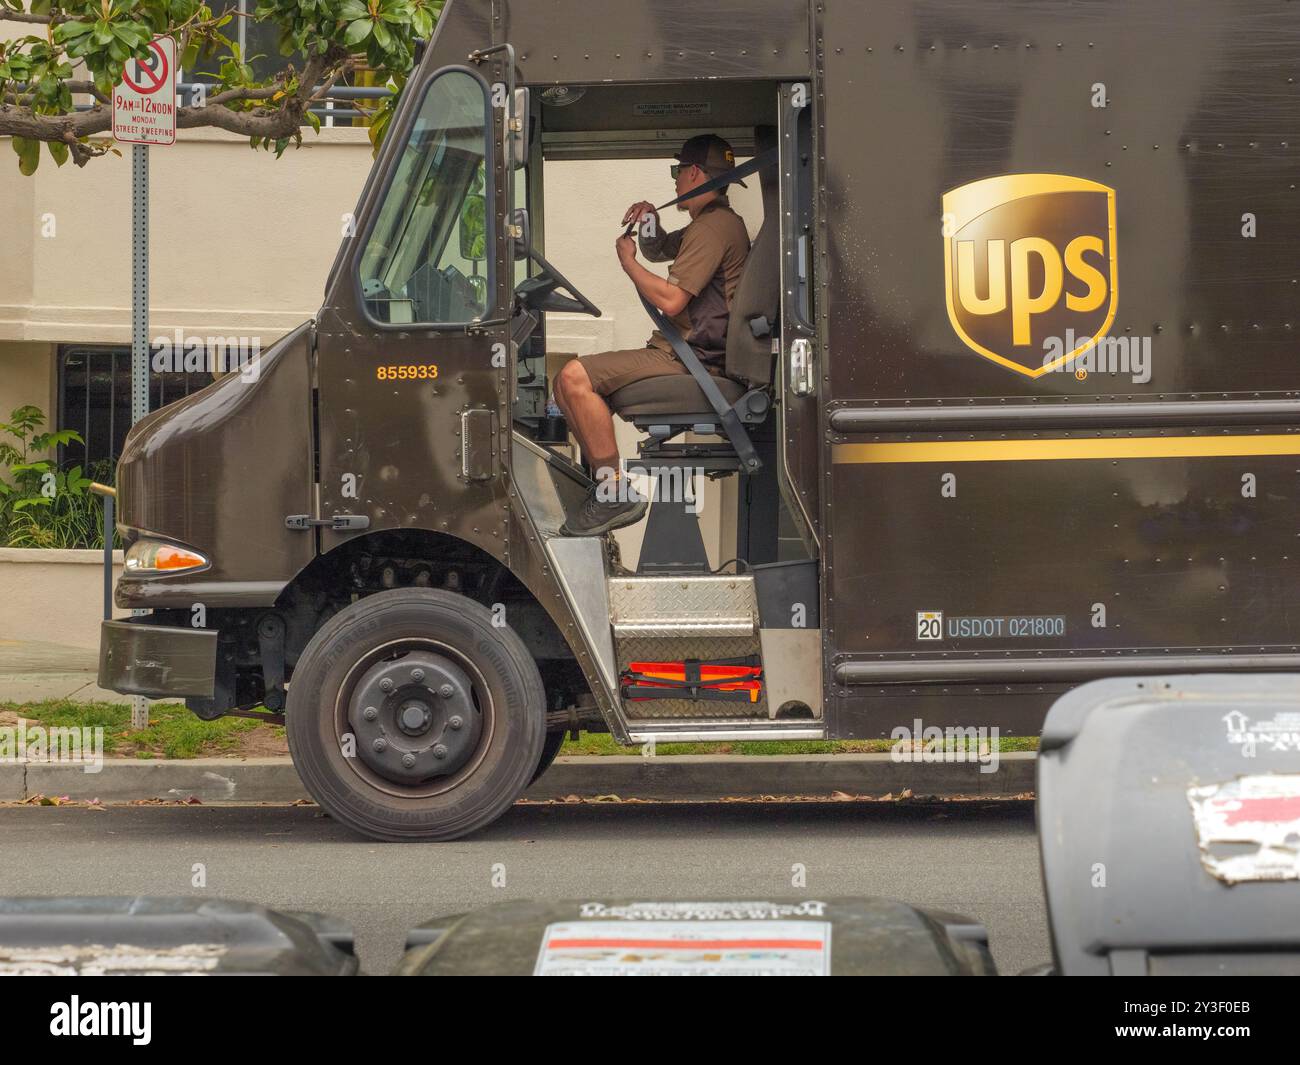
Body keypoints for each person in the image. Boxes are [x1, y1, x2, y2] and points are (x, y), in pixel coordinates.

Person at [552, 134, 751, 536]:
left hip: (687, 358)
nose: (675, 181)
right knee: (569, 383)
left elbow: (672, 299)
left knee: (573, 377)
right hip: (685, 353)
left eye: (678, 172)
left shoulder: (714, 228)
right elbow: (661, 250)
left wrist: (627, 264)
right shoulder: (711, 224)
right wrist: (648, 223)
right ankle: (604, 490)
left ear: (694, 173)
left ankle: (613, 492)